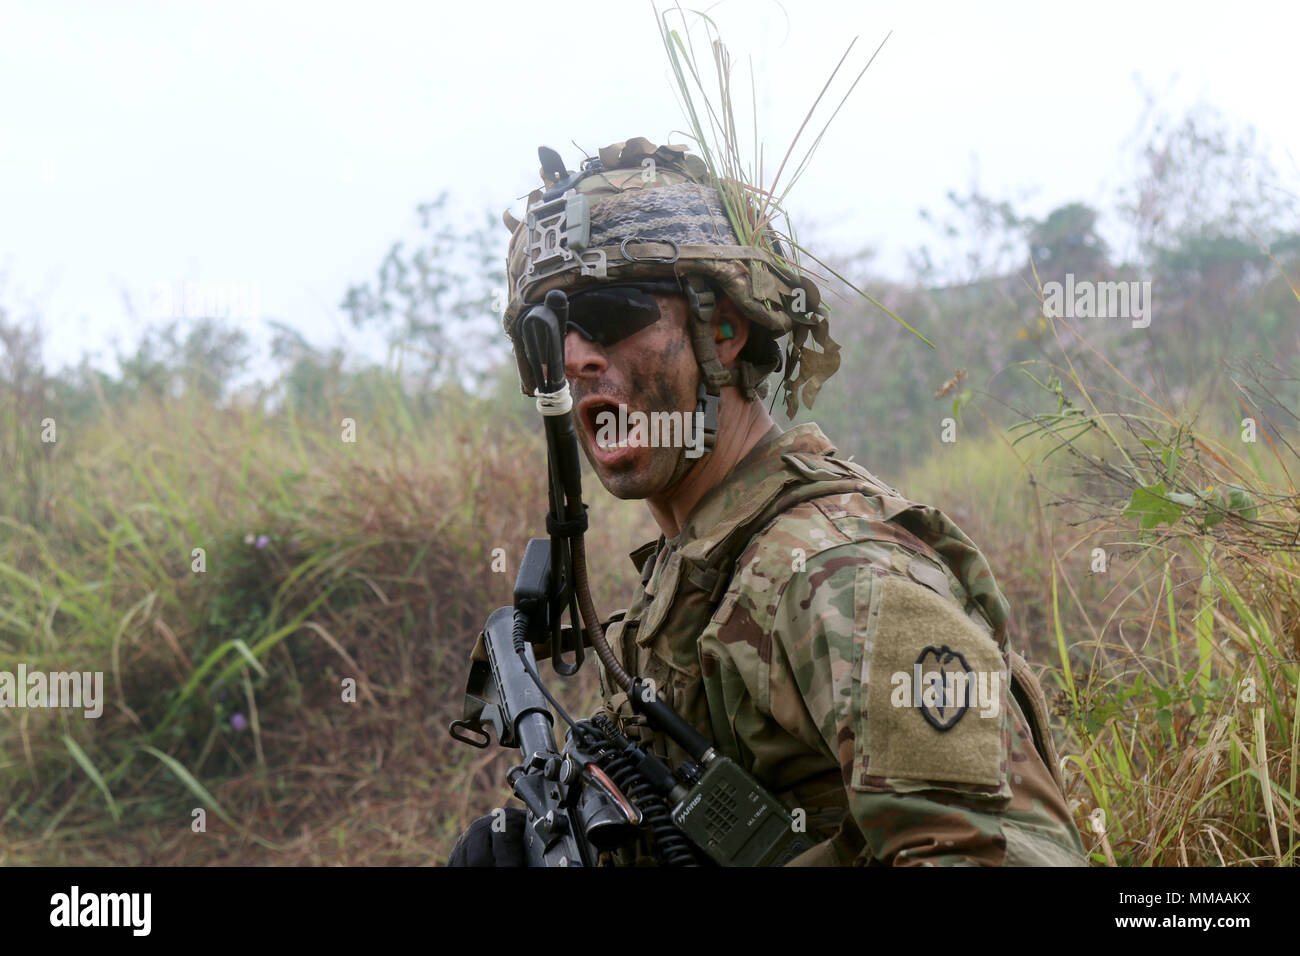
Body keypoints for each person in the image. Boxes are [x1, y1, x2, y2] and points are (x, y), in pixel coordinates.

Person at [448, 138, 1087, 866]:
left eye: (612, 314)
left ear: (723, 328)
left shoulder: (840, 576)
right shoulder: (698, 573)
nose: (573, 358)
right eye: (546, 334)